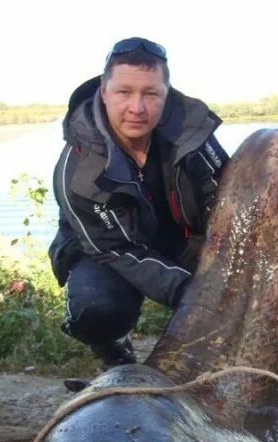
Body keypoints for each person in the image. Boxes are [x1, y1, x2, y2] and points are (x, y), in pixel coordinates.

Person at [48, 36, 229, 367]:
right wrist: (189, 290)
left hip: (180, 238)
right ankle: (113, 347)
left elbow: (227, 204)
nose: (137, 108)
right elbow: (116, 249)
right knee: (96, 308)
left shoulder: (194, 135)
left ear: (166, 94)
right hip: (106, 250)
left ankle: (264, 356)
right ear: (104, 92)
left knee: (247, 271)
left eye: (150, 93)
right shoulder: (78, 171)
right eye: (124, 92)